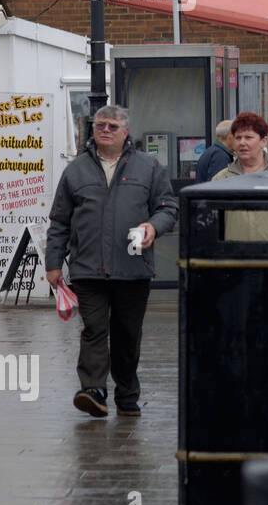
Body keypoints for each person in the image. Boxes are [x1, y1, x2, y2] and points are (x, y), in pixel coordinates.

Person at [45, 104, 177, 418]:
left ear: (126, 132)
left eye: (112, 126)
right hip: (87, 269)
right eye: (100, 125)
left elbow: (168, 207)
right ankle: (93, 390)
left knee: (127, 334)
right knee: (93, 329)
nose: (105, 130)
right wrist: (53, 263)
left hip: (133, 269)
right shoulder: (76, 170)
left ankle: (128, 394)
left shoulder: (148, 167)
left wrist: (152, 226)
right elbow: (60, 221)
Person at [211, 111, 268, 241]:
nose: (242, 143)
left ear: (263, 141)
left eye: (248, 137)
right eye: (238, 138)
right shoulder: (221, 179)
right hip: (234, 259)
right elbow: (212, 224)